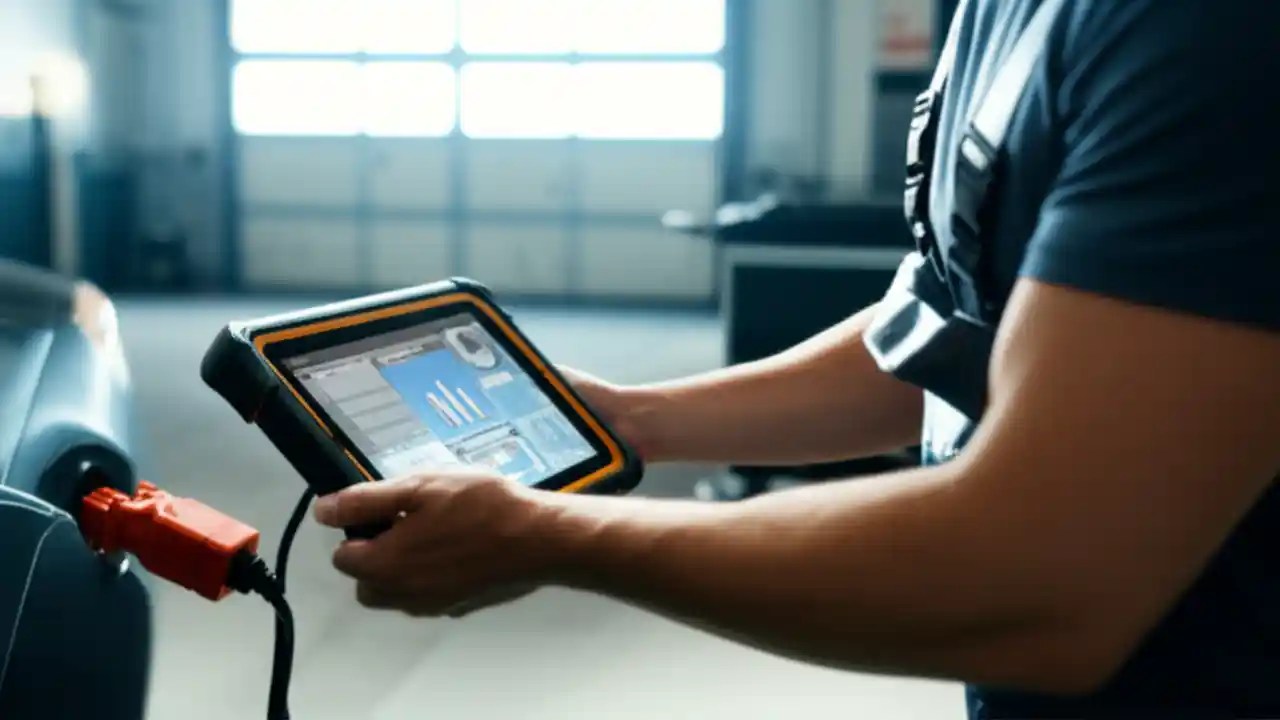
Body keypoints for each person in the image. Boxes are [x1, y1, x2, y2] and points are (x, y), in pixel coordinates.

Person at [311, 1, 1280, 717]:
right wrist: (634, 419)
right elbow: (952, 328)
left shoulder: (1201, 33)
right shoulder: (1009, 17)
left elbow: (1044, 574)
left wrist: (550, 538)